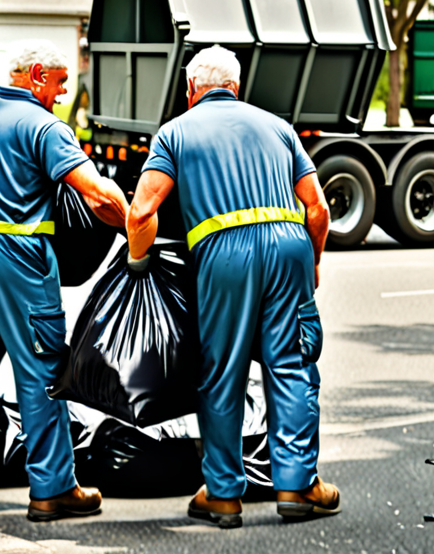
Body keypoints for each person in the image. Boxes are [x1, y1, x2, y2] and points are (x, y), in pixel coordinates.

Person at [126, 45, 337, 529]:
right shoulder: (278, 127)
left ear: (189, 92)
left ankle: (222, 494)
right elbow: (318, 210)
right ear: (237, 88)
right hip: (288, 248)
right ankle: (298, 485)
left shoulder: (174, 133)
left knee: (222, 371)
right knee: (293, 364)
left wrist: (139, 264)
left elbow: (141, 212)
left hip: (223, 255)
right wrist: (314, 262)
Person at [0, 40, 129, 522]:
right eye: (60, 83)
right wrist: (135, 227)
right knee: (42, 369)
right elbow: (97, 195)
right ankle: (53, 488)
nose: (62, 95)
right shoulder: (43, 126)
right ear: (37, 75)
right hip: (17, 257)